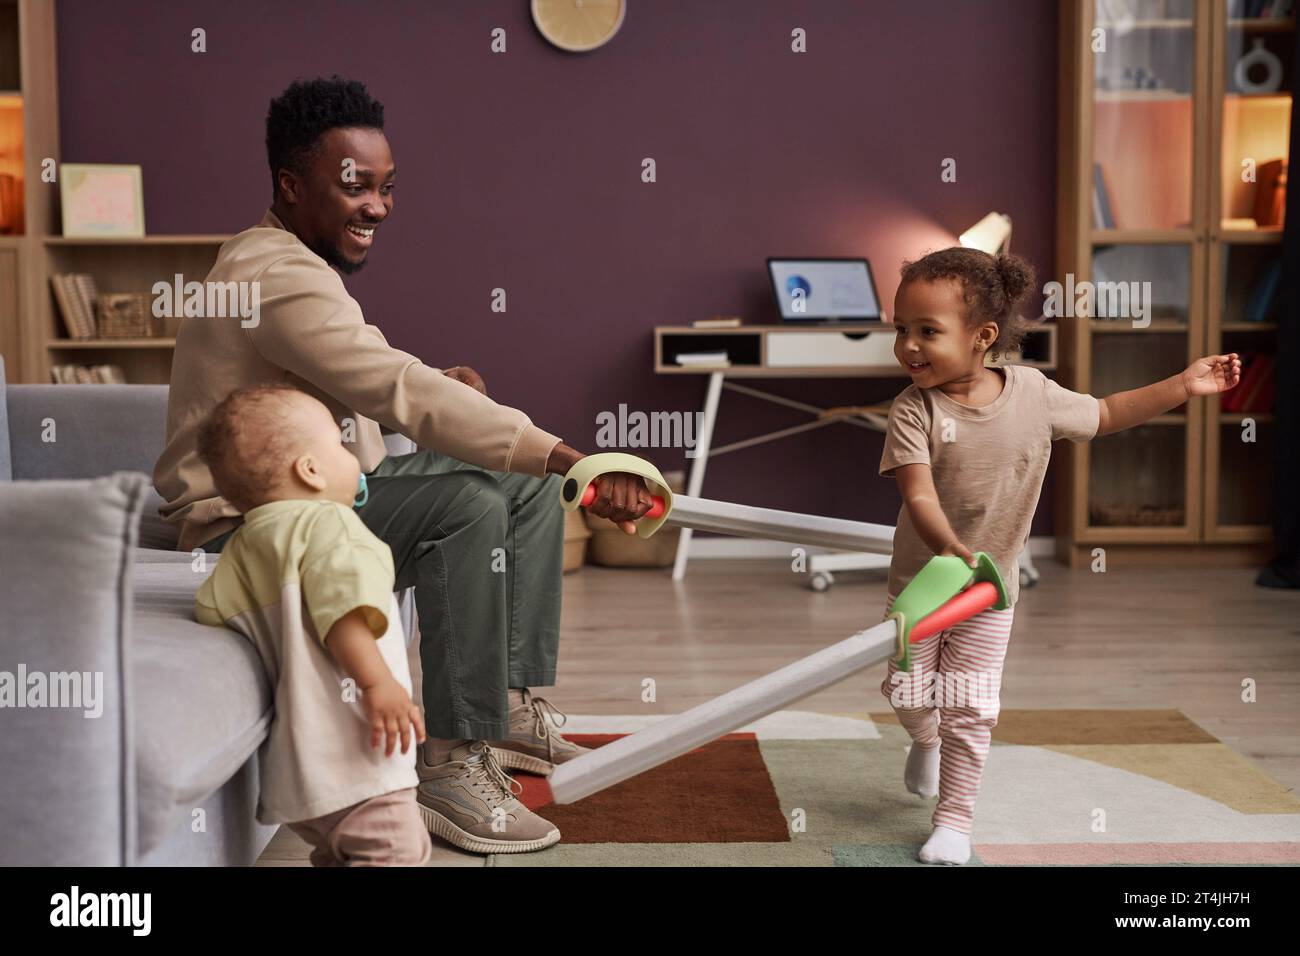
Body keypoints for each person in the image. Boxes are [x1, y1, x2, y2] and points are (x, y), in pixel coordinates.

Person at [155, 76, 651, 853]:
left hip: (315, 497)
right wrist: (572, 457)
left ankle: (507, 709)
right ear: (291, 185)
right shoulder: (271, 274)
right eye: (355, 187)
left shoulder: (293, 265)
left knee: (517, 485)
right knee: (470, 504)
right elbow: (392, 387)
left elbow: (367, 369)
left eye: (387, 188)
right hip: (247, 525)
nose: (378, 207)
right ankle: (448, 766)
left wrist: (476, 415)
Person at [877, 247, 1240, 865]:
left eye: (927, 331)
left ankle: (955, 820)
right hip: (923, 582)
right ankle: (924, 740)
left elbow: (1105, 413)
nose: (908, 346)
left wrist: (1183, 385)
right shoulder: (916, 409)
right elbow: (917, 491)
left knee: (971, 705)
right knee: (908, 694)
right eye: (901, 330)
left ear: (983, 336)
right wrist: (948, 548)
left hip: (989, 594)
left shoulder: (1034, 395)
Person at [194, 383, 437, 865]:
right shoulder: (331, 524)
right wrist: (378, 683)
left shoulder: (246, 545)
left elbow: (210, 609)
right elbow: (343, 610)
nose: (352, 456)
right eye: (339, 443)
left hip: (302, 777)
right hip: (357, 755)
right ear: (309, 470)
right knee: (398, 852)